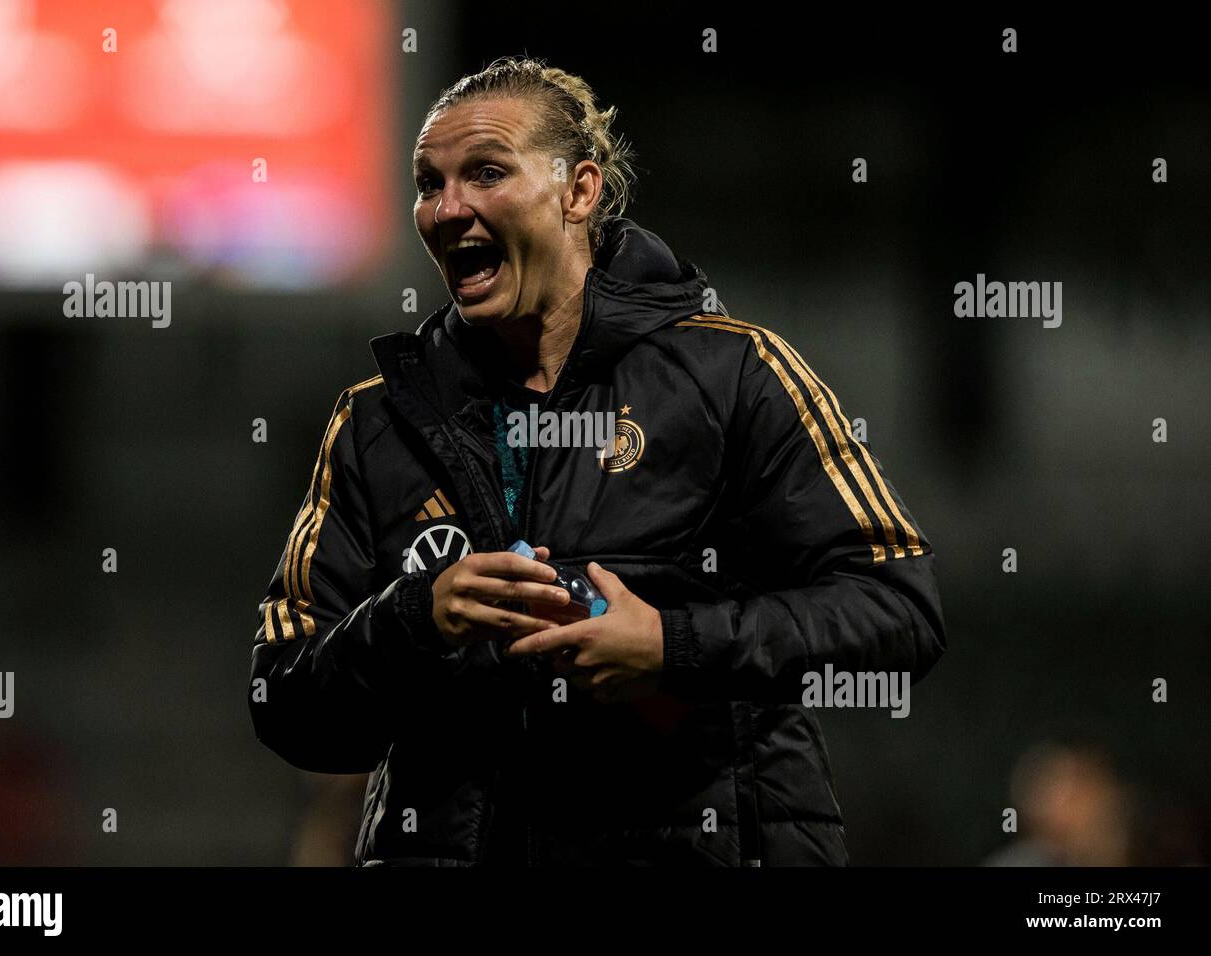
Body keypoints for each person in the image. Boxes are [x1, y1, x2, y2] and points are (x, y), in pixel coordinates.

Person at [248, 56, 946, 866]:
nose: (448, 208)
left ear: (579, 191)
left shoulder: (735, 377)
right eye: (427, 182)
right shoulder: (376, 423)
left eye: (485, 173)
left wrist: (673, 647)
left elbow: (898, 612)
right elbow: (283, 698)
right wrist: (414, 617)